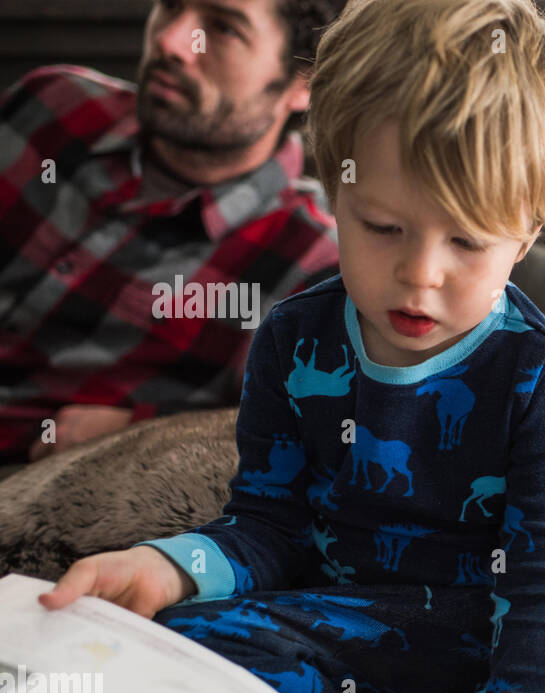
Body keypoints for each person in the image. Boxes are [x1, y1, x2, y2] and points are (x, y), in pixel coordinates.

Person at [38, 0, 545, 693]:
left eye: (467, 241)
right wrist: (167, 564)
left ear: (528, 235)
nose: (420, 273)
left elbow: (541, 583)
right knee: (179, 643)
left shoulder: (539, 367)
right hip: (334, 621)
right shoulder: (292, 335)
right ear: (334, 192)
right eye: (383, 227)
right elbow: (268, 527)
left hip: (492, 628)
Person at [0, 0, 346, 472]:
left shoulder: (311, 266)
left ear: (303, 83)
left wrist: (141, 429)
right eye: (171, 7)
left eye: (223, 29)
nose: (170, 41)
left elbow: (288, 444)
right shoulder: (51, 102)